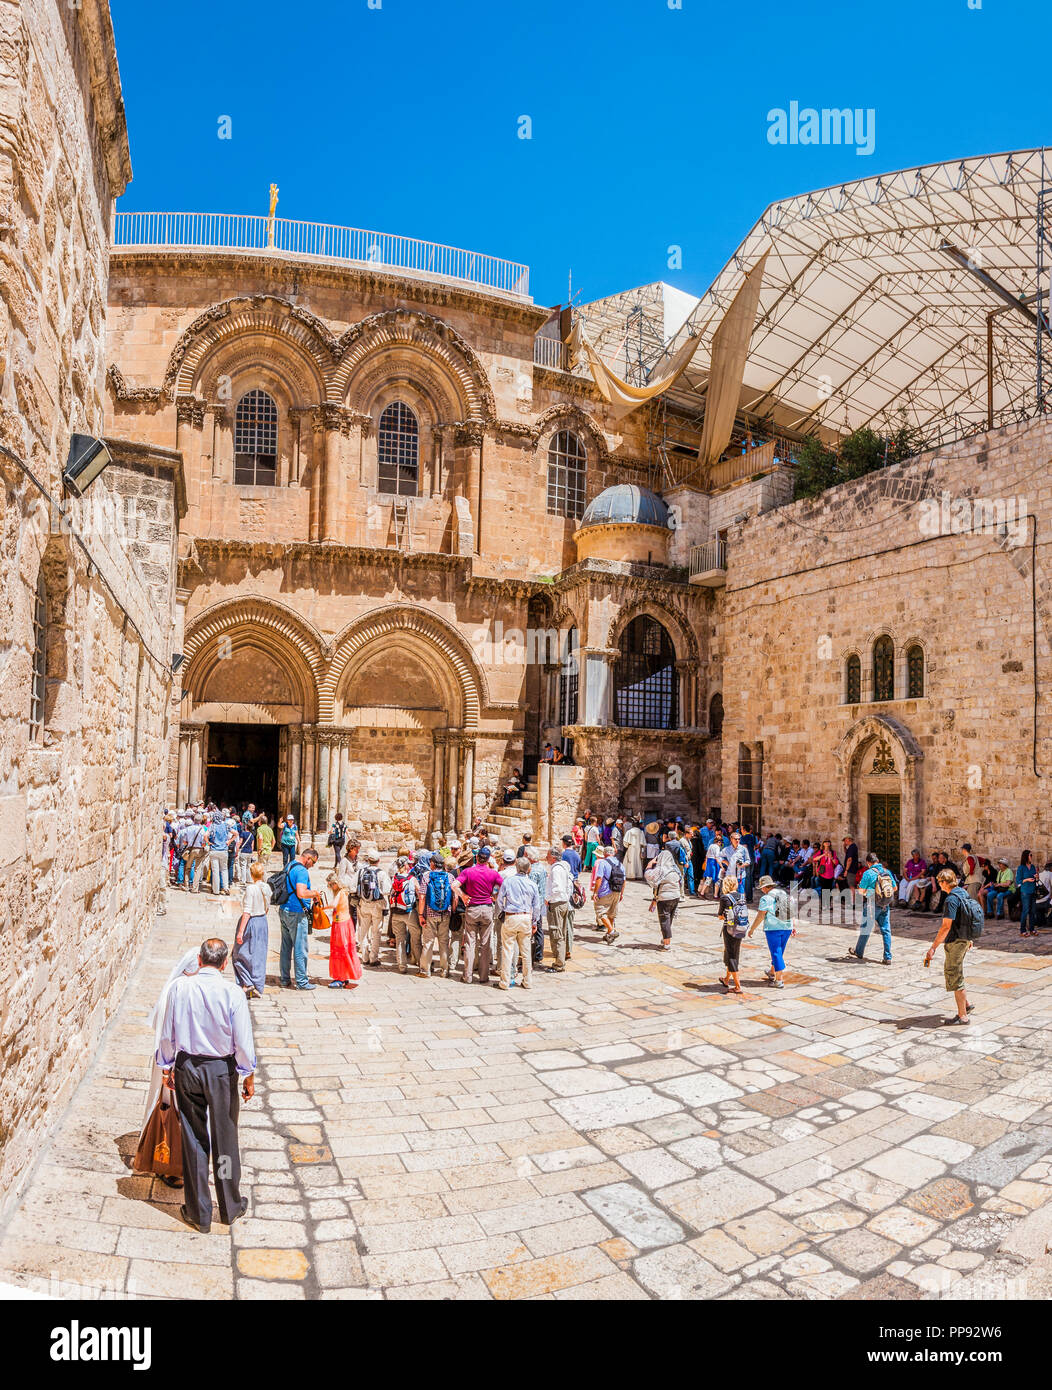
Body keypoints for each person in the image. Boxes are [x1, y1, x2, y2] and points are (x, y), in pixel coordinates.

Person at [157, 937, 256, 1234]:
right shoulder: (233, 994)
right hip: (221, 1071)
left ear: (199, 960)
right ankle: (229, 1205)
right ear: (224, 963)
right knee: (225, 1138)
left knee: (193, 1137)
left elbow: (167, 1032)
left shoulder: (180, 989)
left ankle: (199, 1211)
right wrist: (248, 1073)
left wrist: (166, 1066)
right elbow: (243, 1041)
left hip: (187, 1067)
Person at [141, 946, 201, 1188]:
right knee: (172, 1115)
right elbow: (169, 1035)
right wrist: (170, 1069)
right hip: (172, 1065)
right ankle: (170, 1164)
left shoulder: (177, 989)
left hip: (169, 1063)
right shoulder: (178, 992)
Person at [924, 869, 980, 1025]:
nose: (939, 884)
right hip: (964, 939)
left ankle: (962, 1016)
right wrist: (970, 938)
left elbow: (946, 927)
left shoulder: (951, 900)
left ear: (943, 882)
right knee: (956, 972)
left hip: (956, 941)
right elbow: (969, 916)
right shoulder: (962, 893)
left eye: (939, 882)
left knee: (955, 975)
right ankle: (966, 1004)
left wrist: (933, 947)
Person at [454, 845, 503, 984]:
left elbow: (454, 885)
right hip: (487, 908)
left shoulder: (468, 872)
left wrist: (463, 896)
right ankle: (483, 976)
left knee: (470, 943)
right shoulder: (493, 873)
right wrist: (495, 895)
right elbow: (504, 886)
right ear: (488, 859)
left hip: (472, 908)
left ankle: (468, 976)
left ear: (477, 857)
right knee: (485, 944)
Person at [495, 854, 542, 990]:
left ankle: (504, 981)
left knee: (508, 950)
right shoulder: (532, 884)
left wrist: (502, 913)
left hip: (511, 916)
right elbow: (537, 906)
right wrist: (534, 922)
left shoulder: (508, 882)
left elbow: (499, 899)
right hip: (526, 917)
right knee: (526, 952)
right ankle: (527, 981)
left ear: (516, 867)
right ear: (528, 869)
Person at [279, 846, 320, 990]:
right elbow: (301, 893)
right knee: (300, 947)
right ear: (308, 858)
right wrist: (314, 893)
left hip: (284, 909)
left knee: (285, 946)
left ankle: (284, 979)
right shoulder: (302, 870)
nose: (312, 866)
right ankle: (302, 981)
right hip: (296, 913)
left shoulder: (290, 864)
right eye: (313, 862)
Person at [748, 873, 794, 989]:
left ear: (765, 887)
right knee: (779, 951)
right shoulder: (783, 893)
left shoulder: (766, 898)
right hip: (787, 927)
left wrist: (752, 929)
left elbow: (760, 915)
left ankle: (779, 980)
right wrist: (792, 925)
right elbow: (790, 910)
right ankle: (772, 972)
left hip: (773, 928)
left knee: (776, 953)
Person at [233, 861, 271, 998]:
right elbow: (267, 908)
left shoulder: (251, 889)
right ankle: (256, 984)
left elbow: (247, 912)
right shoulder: (267, 888)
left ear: (251, 873)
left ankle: (247, 982)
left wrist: (240, 931)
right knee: (258, 955)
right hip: (263, 922)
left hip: (252, 922)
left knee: (238, 954)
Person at [847, 852, 894, 964]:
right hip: (885, 905)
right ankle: (888, 957)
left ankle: (859, 952)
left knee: (865, 929)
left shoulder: (868, 873)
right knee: (886, 930)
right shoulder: (887, 872)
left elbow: (861, 891)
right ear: (877, 861)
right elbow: (895, 888)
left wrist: (870, 892)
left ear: (868, 863)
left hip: (871, 905)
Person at [418, 852, 454, 978]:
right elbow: (454, 898)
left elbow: (422, 897)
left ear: (432, 864)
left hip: (430, 913)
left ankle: (425, 970)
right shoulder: (449, 877)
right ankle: (444, 970)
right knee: (444, 942)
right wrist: (451, 911)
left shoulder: (426, 876)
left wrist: (420, 915)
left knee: (428, 942)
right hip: (445, 914)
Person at [355, 847, 390, 968]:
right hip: (377, 905)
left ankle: (364, 957)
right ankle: (373, 958)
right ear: (378, 860)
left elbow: (353, 887)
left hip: (364, 904)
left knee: (363, 931)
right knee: (376, 931)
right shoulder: (381, 873)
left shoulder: (361, 872)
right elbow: (386, 890)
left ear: (368, 860)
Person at [645, 847, 682, 951]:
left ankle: (666, 944)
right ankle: (665, 938)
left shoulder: (661, 870)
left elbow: (648, 876)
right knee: (668, 919)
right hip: (675, 897)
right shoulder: (675, 869)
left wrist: (649, 865)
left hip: (665, 898)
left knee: (664, 920)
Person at [326, 872, 358, 988]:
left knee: (340, 950)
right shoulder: (343, 892)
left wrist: (322, 907)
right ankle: (343, 976)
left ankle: (340, 977)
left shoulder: (340, 893)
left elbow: (334, 905)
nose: (329, 888)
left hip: (341, 924)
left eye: (330, 885)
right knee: (343, 950)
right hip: (343, 922)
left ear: (335, 884)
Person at [716, 873, 746, 995]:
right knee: (732, 952)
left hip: (729, 929)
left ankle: (738, 986)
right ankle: (727, 979)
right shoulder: (742, 896)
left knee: (731, 955)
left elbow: (720, 916)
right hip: (741, 928)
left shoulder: (725, 898)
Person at [388, 856, 418, 974]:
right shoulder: (412, 878)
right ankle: (421, 964)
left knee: (400, 940)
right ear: (406, 866)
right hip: (409, 911)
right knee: (416, 938)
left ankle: (402, 966)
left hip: (396, 911)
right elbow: (420, 892)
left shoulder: (394, 878)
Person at [591, 844, 624, 944]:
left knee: (600, 911)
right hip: (617, 891)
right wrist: (621, 893)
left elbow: (599, 878)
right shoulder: (620, 864)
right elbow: (624, 880)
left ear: (604, 854)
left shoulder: (603, 863)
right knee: (612, 913)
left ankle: (612, 930)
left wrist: (595, 892)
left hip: (605, 891)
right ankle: (610, 934)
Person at [1017, 850, 1038, 937]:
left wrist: (1037, 877)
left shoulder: (1033, 867)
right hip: (1025, 892)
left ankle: (1032, 929)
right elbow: (1018, 881)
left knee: (1033, 911)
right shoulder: (1021, 868)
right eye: (1030, 855)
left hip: (1033, 891)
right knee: (1025, 911)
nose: (1031, 857)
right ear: (1026, 856)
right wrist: (1027, 880)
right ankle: (1022, 930)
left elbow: (1036, 879)